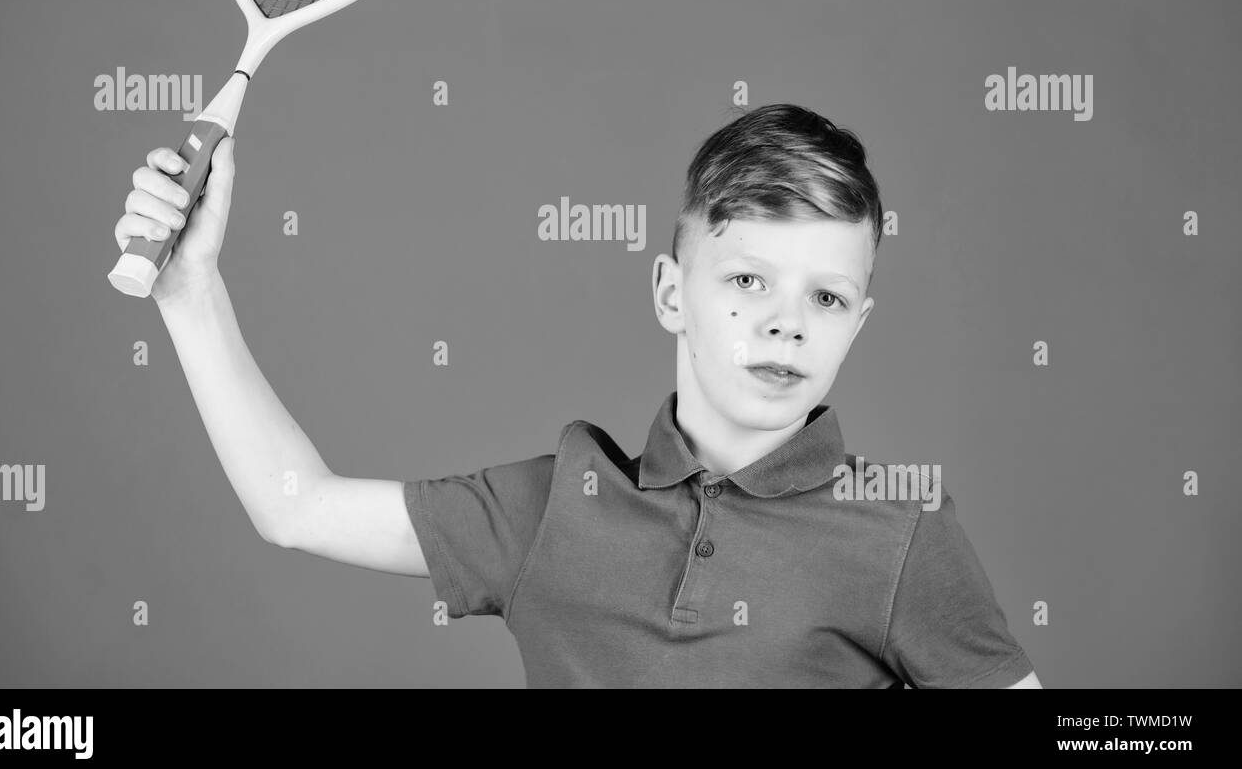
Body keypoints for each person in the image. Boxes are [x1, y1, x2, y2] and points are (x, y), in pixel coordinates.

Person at [113, 103, 1041, 688]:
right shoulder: (557, 505)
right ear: (671, 293)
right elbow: (297, 508)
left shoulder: (902, 529)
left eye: (826, 298)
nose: (786, 324)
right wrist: (191, 293)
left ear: (858, 323)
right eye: (748, 281)